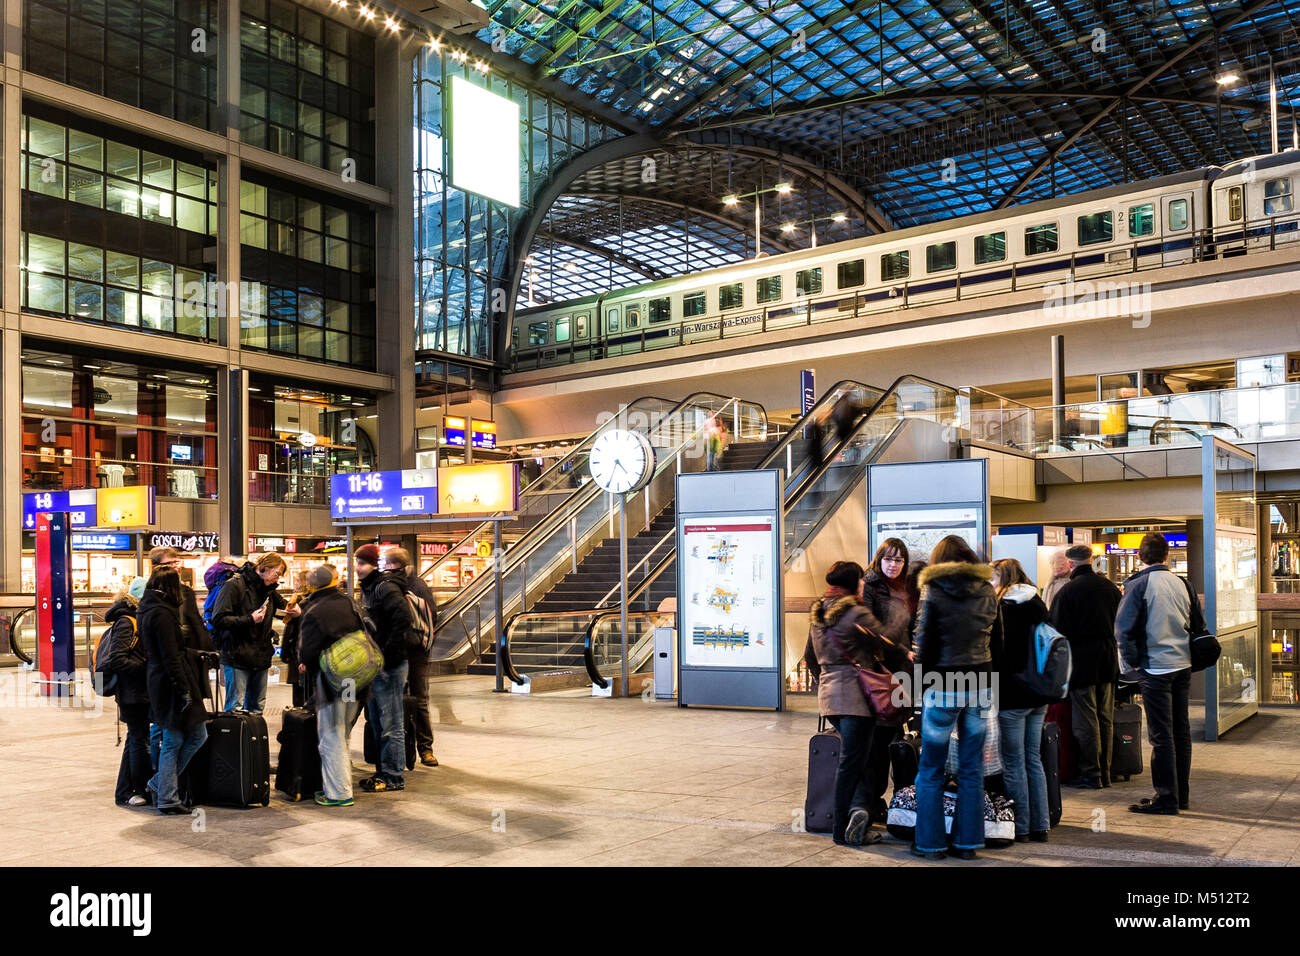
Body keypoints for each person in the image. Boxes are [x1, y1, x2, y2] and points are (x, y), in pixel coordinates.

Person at [911, 535, 1002, 861]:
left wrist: (918, 686)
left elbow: (925, 642)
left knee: (931, 769)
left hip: (943, 683)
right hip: (980, 683)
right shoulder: (988, 590)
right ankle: (967, 844)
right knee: (971, 768)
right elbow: (998, 642)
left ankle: (930, 844)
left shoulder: (933, 590)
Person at [1115, 533, 1197, 814]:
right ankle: (1181, 795)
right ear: (1167, 556)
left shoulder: (1138, 585)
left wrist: (1134, 664)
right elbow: (1196, 623)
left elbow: (1123, 630)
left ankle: (1166, 798)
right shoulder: (1183, 583)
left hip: (1155, 667)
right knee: (1180, 731)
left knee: (1161, 735)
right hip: (1182, 664)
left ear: (1139, 556)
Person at [806, 561, 887, 847]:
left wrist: (826, 679)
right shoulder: (855, 612)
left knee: (856, 761)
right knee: (852, 764)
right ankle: (843, 828)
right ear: (854, 583)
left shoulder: (818, 613)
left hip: (830, 697)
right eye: (861, 580)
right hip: (855, 697)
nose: (864, 584)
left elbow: (810, 656)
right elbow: (884, 641)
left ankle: (858, 813)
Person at [1050, 543, 1122, 790]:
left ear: (1071, 563)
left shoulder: (1068, 592)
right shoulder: (1110, 588)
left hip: (1081, 661)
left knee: (1085, 718)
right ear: (1091, 560)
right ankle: (1107, 771)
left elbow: (1057, 631)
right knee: (1105, 717)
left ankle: (1092, 773)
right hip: (1108, 658)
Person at [990, 558, 1052, 843]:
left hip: (1012, 696)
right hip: (1039, 694)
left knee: (1014, 763)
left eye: (993, 578)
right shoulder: (1038, 603)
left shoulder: (1004, 609)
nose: (991, 584)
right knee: (1033, 760)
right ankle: (1041, 825)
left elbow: (1000, 656)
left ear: (1003, 579)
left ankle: (1022, 827)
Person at [296, 563, 368, 807]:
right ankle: (343, 784)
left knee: (331, 736)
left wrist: (306, 663)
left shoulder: (314, 610)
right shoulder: (349, 602)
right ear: (334, 581)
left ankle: (338, 793)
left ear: (311, 586)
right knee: (343, 732)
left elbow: (308, 652)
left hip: (331, 681)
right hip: (354, 678)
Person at [141, 566, 210, 815]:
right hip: (171, 683)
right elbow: (170, 656)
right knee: (175, 740)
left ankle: (160, 785)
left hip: (162, 680)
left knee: (193, 735)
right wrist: (184, 689)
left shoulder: (149, 608)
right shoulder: (161, 613)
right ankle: (167, 795)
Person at [858, 538, 918, 823]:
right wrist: (903, 650)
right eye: (889, 559)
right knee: (879, 740)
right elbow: (871, 631)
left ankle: (897, 801)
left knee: (895, 736)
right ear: (879, 558)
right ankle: (872, 801)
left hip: (904, 669)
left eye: (898, 560)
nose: (893, 564)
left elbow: (910, 624)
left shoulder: (905, 587)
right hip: (881, 671)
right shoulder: (870, 586)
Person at [355, 543, 416, 793]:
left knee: (391, 722)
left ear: (373, 565)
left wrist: (387, 656)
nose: (357, 568)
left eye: (362, 563)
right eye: (356, 563)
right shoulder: (369, 588)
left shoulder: (385, 587)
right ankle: (382, 772)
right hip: (375, 665)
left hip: (389, 666)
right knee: (377, 722)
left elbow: (403, 619)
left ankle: (393, 776)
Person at [211, 553, 298, 715]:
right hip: (237, 656)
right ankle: (237, 733)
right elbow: (218, 619)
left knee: (257, 708)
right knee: (235, 709)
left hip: (260, 657)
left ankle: (255, 732)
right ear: (264, 569)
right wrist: (250, 619)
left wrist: (295, 610)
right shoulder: (234, 585)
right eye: (277, 573)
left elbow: (284, 607)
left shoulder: (268, 590)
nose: (277, 578)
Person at [384, 548, 439, 767]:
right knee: (418, 698)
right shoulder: (414, 585)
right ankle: (421, 749)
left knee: (413, 698)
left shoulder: (413, 586)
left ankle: (421, 748)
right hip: (412, 650)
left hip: (411, 650)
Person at [109, 576, 150, 807]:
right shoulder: (127, 622)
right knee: (137, 739)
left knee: (135, 738)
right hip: (131, 692)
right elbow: (117, 659)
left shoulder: (136, 619)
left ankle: (125, 791)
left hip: (137, 691)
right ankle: (135, 789)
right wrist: (145, 667)